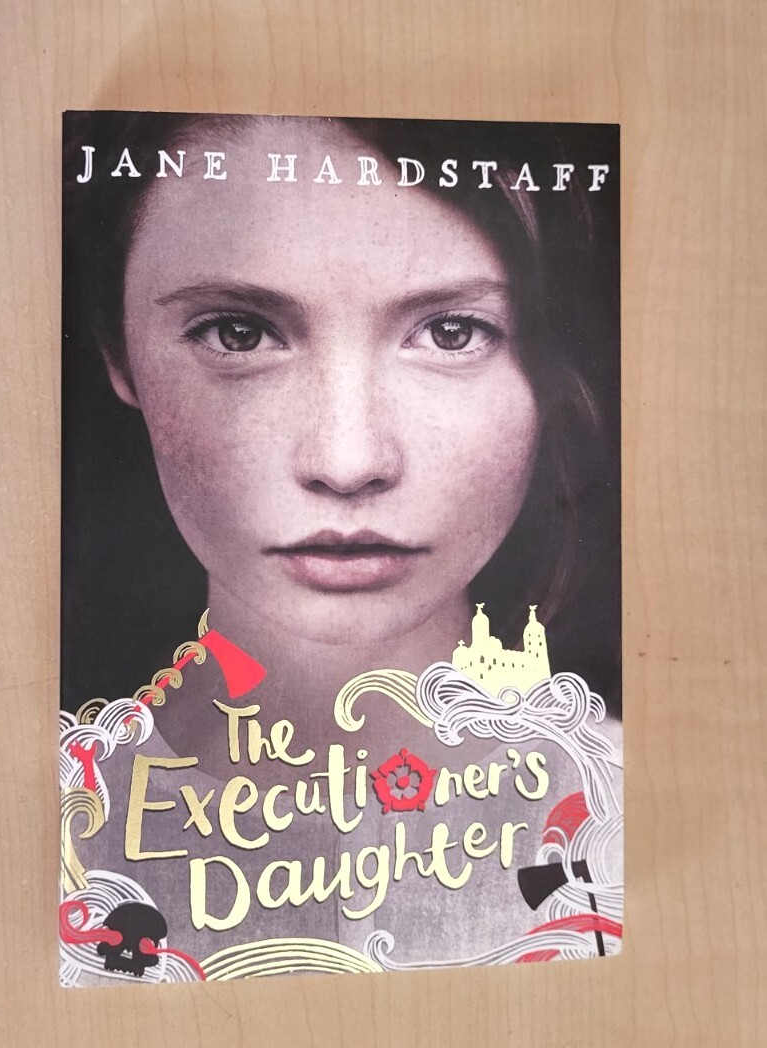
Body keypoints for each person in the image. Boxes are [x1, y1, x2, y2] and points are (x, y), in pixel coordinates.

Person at [60, 113, 621, 974]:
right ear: (118, 351)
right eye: (239, 332)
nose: (348, 461)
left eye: (453, 332)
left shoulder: (653, 816)